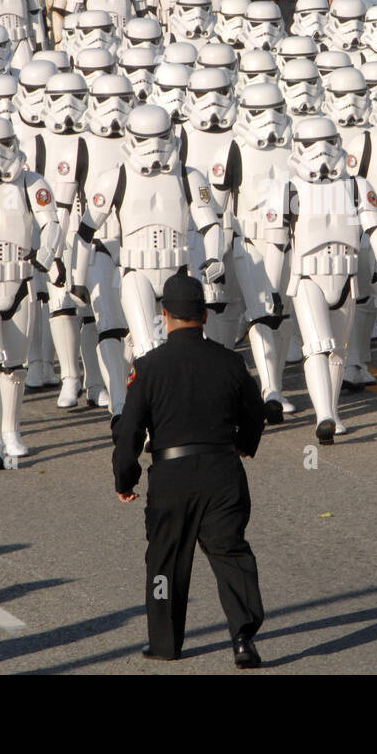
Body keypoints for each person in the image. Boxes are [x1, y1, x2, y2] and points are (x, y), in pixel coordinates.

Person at [112, 273, 267, 668]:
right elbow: (255, 413)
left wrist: (125, 477)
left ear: (165, 316)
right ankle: (244, 638)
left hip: (171, 476)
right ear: (204, 317)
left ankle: (165, 642)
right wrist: (245, 446)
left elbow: (129, 429)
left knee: (165, 559)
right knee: (230, 553)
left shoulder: (147, 368)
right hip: (221, 472)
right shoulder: (231, 362)